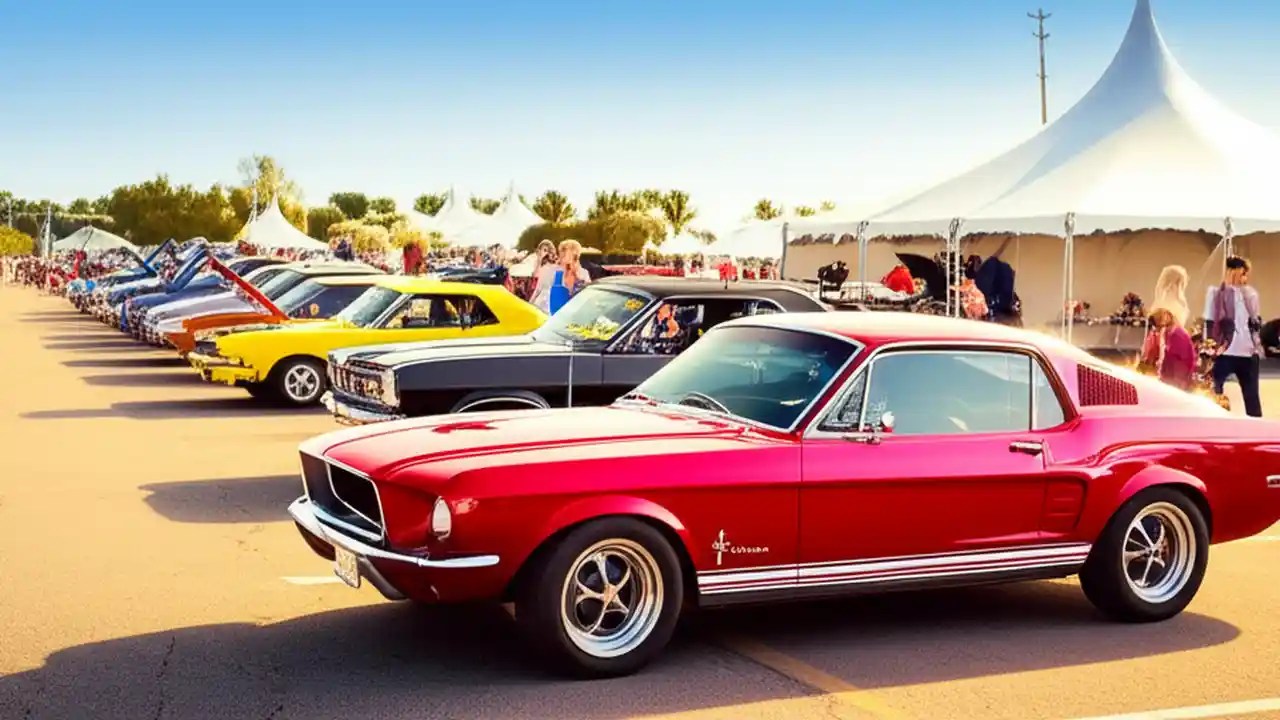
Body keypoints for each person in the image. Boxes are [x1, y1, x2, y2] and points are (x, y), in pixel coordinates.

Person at [1204, 256, 1263, 417]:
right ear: (1234, 271)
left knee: (1252, 398)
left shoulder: (1251, 294)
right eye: (1243, 273)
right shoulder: (1216, 293)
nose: (1245, 277)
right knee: (1214, 394)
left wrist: (1257, 345)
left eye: (1246, 274)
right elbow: (1209, 321)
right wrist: (1209, 347)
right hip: (1224, 352)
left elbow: (1254, 322)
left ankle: (1257, 433)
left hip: (1248, 353)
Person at [1140, 308, 1196, 390]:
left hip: (1177, 376)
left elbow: (1182, 359)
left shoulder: (1178, 334)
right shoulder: (1168, 332)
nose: (1157, 331)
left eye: (1158, 327)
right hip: (1170, 375)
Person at [549, 239, 591, 314]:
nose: (561, 258)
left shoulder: (583, 274)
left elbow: (587, 297)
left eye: (565, 254)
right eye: (562, 254)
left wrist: (576, 275)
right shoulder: (555, 273)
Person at [529, 240, 559, 313]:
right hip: (540, 294)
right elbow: (535, 276)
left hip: (549, 296)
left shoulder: (554, 264)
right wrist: (540, 259)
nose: (544, 252)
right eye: (542, 250)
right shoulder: (538, 262)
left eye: (546, 250)